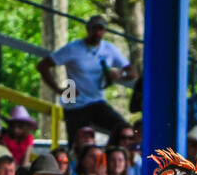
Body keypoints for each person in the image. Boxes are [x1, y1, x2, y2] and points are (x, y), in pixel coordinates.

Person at [37, 14, 135, 143]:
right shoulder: (73, 48)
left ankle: (113, 157)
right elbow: (43, 66)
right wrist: (58, 90)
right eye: (94, 29)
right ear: (88, 30)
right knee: (77, 143)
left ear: (105, 31)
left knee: (122, 129)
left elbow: (132, 72)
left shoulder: (109, 49)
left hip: (97, 101)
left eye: (101, 29)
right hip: (75, 104)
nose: (98, 33)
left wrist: (119, 74)